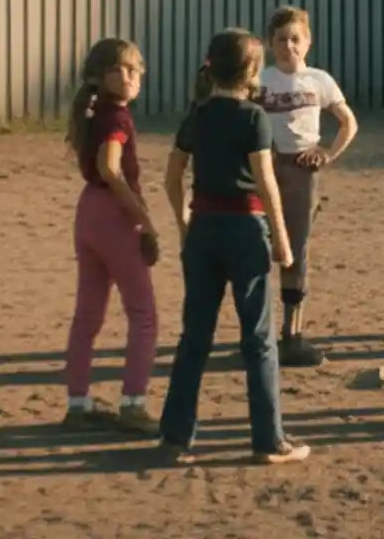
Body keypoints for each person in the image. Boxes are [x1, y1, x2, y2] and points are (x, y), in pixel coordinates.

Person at [158, 28, 310, 465]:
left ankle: (174, 437)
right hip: (245, 228)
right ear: (251, 71)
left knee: (195, 339)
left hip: (204, 227)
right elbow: (266, 183)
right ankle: (268, 440)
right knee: (259, 339)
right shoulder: (252, 117)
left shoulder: (197, 115)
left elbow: (172, 178)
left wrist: (184, 222)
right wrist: (282, 240)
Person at [61, 38, 159, 434]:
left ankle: (78, 403)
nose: (131, 76)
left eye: (135, 69)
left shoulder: (94, 112)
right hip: (113, 215)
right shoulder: (117, 118)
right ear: (100, 76)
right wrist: (144, 220)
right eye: (120, 69)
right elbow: (109, 168)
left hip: (88, 214)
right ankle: (133, 404)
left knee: (87, 315)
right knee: (144, 315)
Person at [254, 5, 359, 367]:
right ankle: (257, 332)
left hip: (302, 171)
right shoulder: (261, 80)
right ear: (270, 43)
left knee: (295, 249)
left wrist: (328, 153)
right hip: (264, 168)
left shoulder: (319, 80)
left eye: (296, 38)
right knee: (256, 247)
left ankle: (292, 334)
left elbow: (348, 122)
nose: (289, 46)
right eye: (281, 39)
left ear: (308, 41)